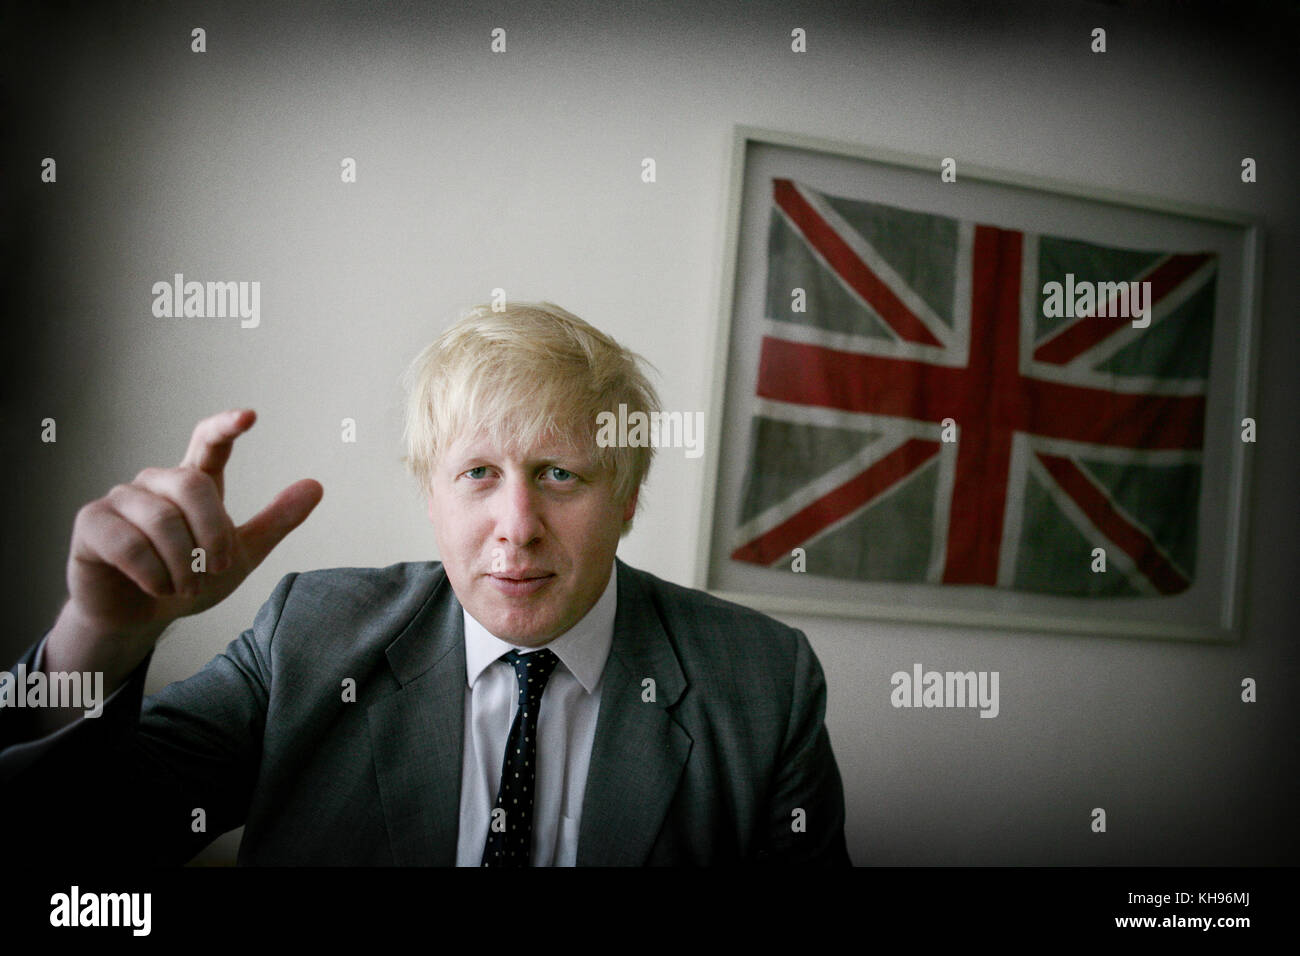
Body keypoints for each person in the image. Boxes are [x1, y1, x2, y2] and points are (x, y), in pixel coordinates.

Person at [0, 301, 851, 866]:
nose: (516, 525)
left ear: (626, 497)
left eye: (560, 474)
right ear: (430, 497)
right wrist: (102, 636)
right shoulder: (312, 634)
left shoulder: (763, 685)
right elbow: (69, 849)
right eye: (478, 472)